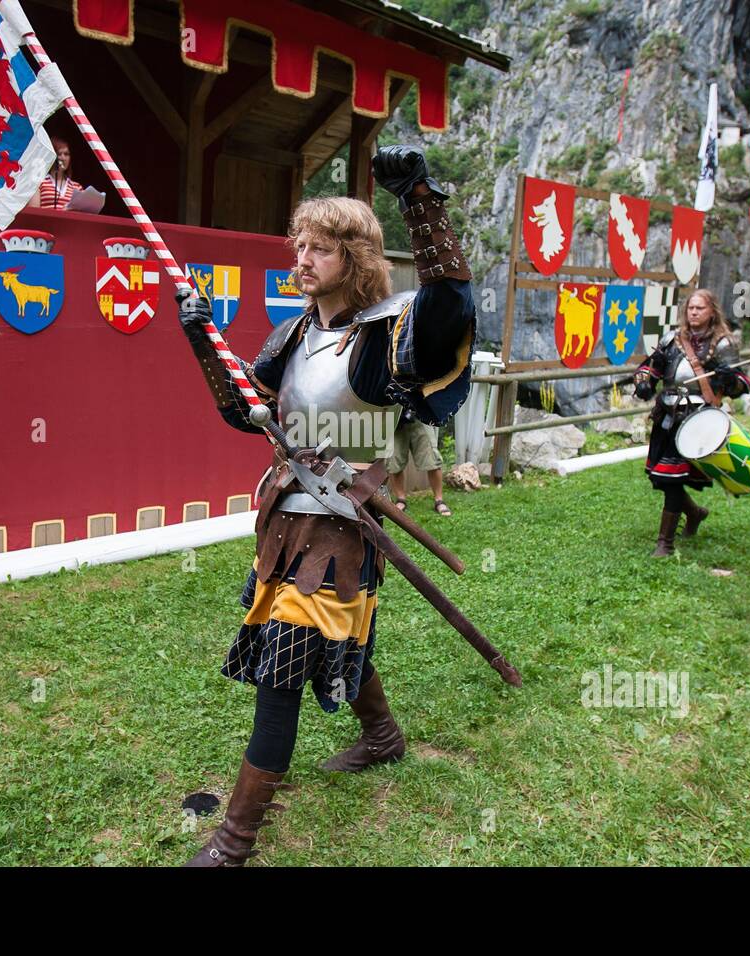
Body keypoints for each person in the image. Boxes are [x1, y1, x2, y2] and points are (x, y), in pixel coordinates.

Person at [174, 146, 474, 866]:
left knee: (282, 669)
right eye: (299, 246)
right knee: (316, 642)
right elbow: (246, 412)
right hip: (286, 520)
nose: (303, 259)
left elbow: (451, 308)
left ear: (357, 257)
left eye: (320, 248)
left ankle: (234, 841)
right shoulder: (296, 332)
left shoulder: (390, 335)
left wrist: (422, 202)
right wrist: (201, 338)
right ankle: (384, 737)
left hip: (346, 526)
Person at [632, 289, 750, 557]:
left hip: (698, 419)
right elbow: (652, 367)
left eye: (700, 308)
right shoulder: (672, 339)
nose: (694, 312)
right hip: (668, 415)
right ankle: (695, 513)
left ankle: (665, 543)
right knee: (660, 477)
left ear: (712, 312)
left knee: (672, 478)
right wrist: (643, 381)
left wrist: (726, 379)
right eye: (690, 308)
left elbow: (743, 382)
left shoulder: (723, 344)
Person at [387, 409, 451, 516]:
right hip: (394, 418)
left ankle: (439, 500)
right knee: (394, 461)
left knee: (432, 459)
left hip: (420, 416)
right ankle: (400, 499)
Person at [27, 137, 81, 210]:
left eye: (66, 154)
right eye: (59, 154)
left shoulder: (76, 187)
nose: (63, 158)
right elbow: (33, 213)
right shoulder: (38, 183)